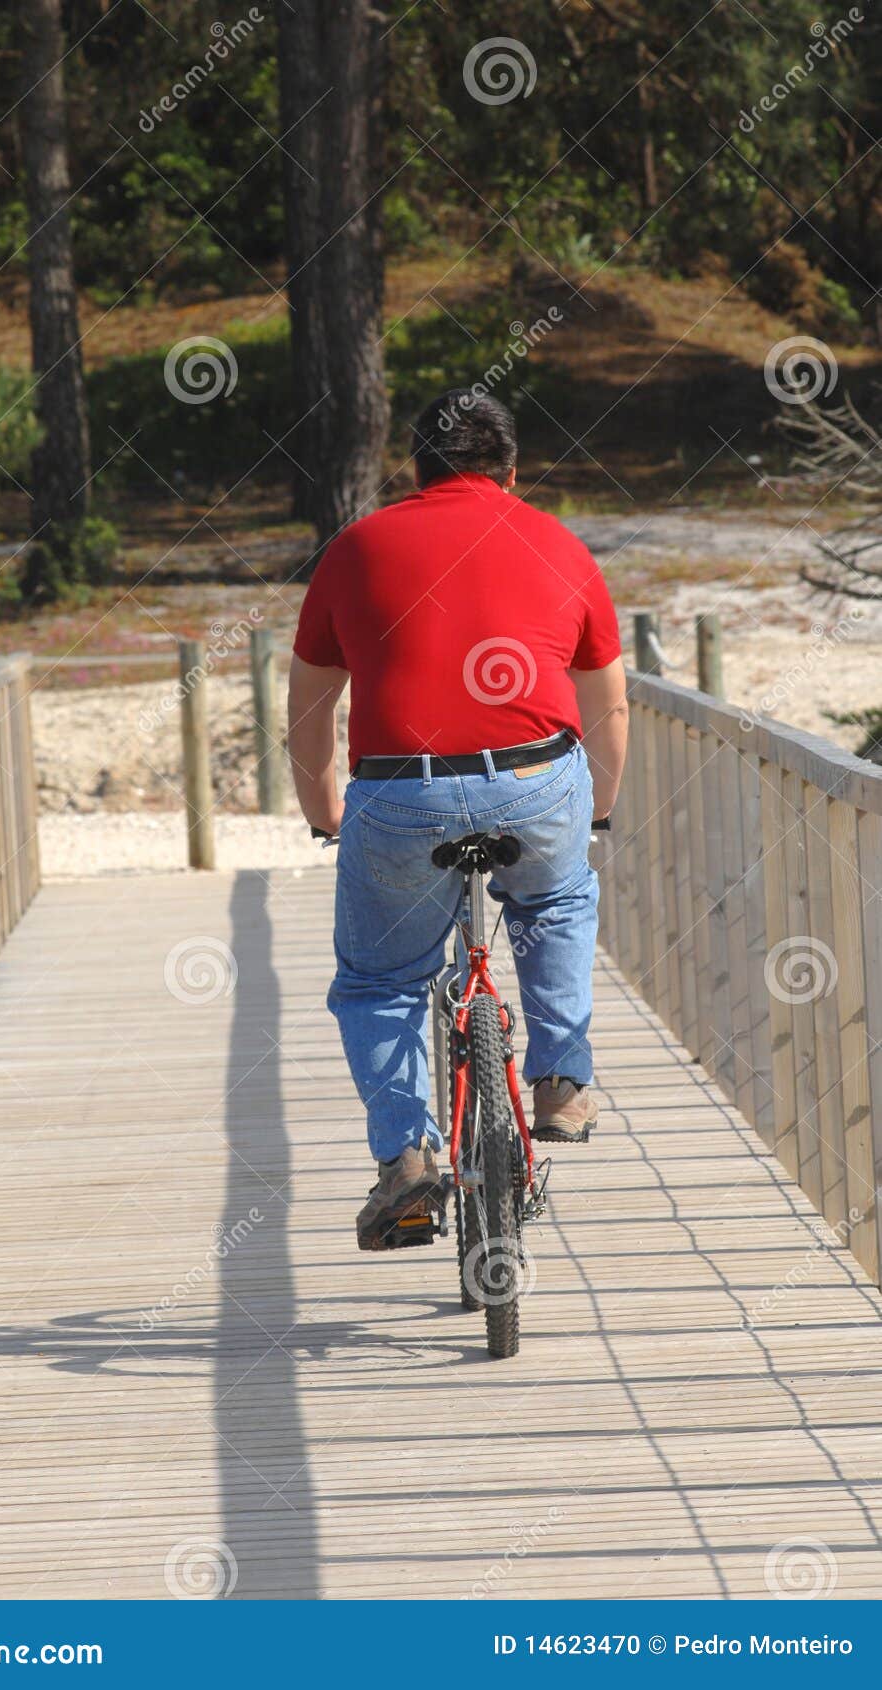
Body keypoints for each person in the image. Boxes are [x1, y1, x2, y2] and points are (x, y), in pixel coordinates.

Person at [288, 389, 629, 1249]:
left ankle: (405, 1160)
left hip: (399, 791)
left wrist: (324, 813)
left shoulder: (356, 547)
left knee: (382, 981)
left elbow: (308, 713)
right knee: (554, 902)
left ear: (414, 471)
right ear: (512, 472)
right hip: (534, 781)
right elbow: (608, 712)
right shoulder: (559, 543)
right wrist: (599, 812)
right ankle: (559, 1081)